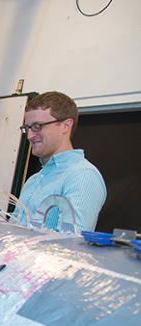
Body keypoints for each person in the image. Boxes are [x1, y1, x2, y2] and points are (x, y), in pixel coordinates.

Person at [15, 91, 106, 232]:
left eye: (37, 126)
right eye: (27, 128)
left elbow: (69, 245)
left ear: (65, 126)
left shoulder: (82, 176)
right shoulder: (33, 181)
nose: (30, 136)